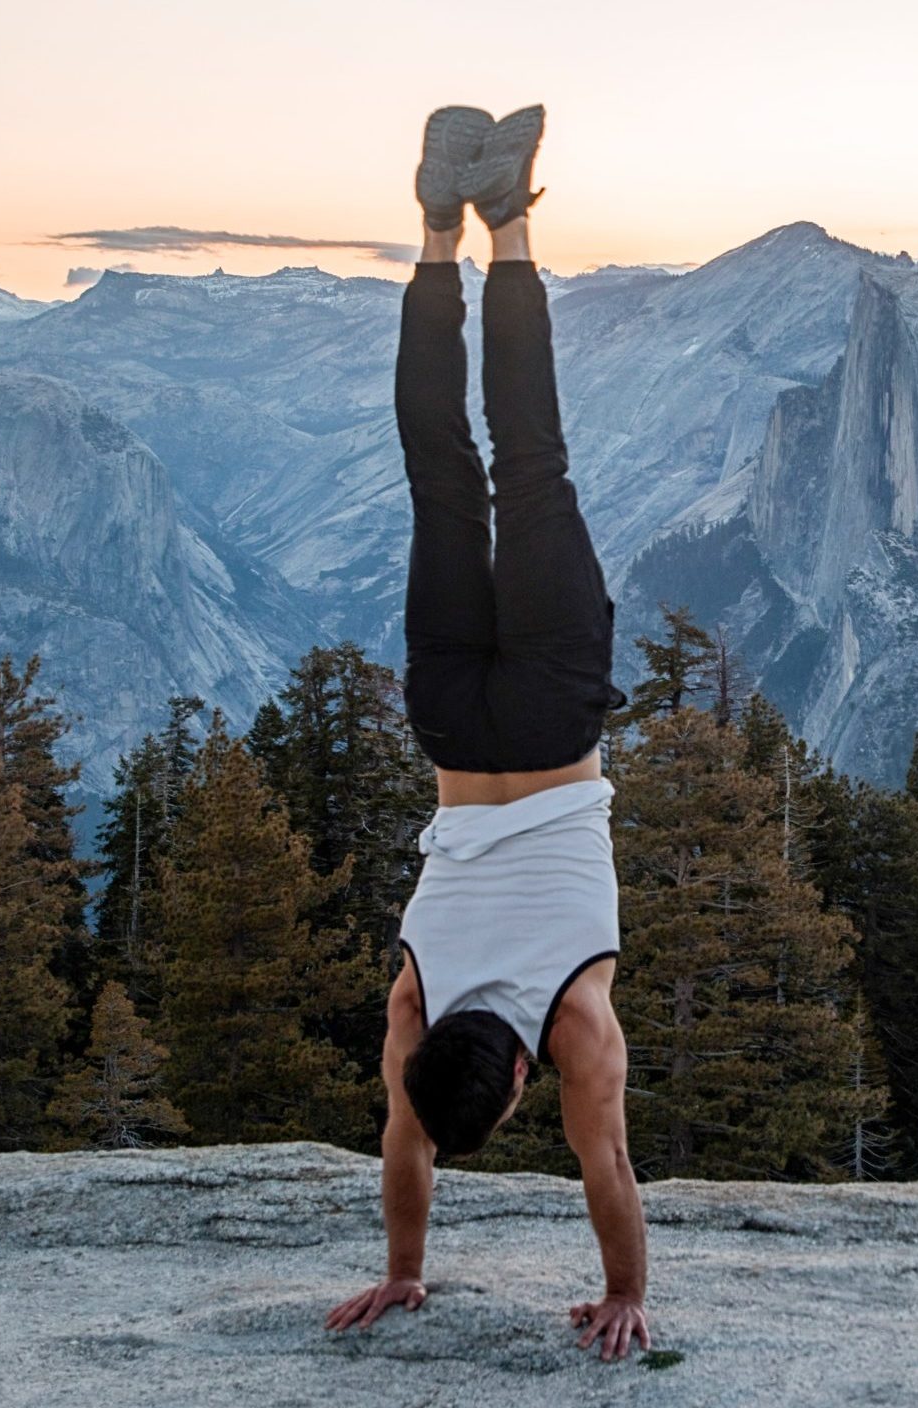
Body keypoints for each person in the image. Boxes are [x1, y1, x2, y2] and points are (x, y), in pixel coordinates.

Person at [324, 104, 650, 1363]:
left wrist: (624, 1295)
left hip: (557, 719)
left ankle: (505, 223)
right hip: (455, 729)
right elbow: (403, 1140)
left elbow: (606, 1164)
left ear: (519, 1079)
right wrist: (399, 1266)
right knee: (444, 474)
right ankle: (437, 231)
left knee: (533, 464)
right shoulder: (413, 1004)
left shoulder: (574, 1025)